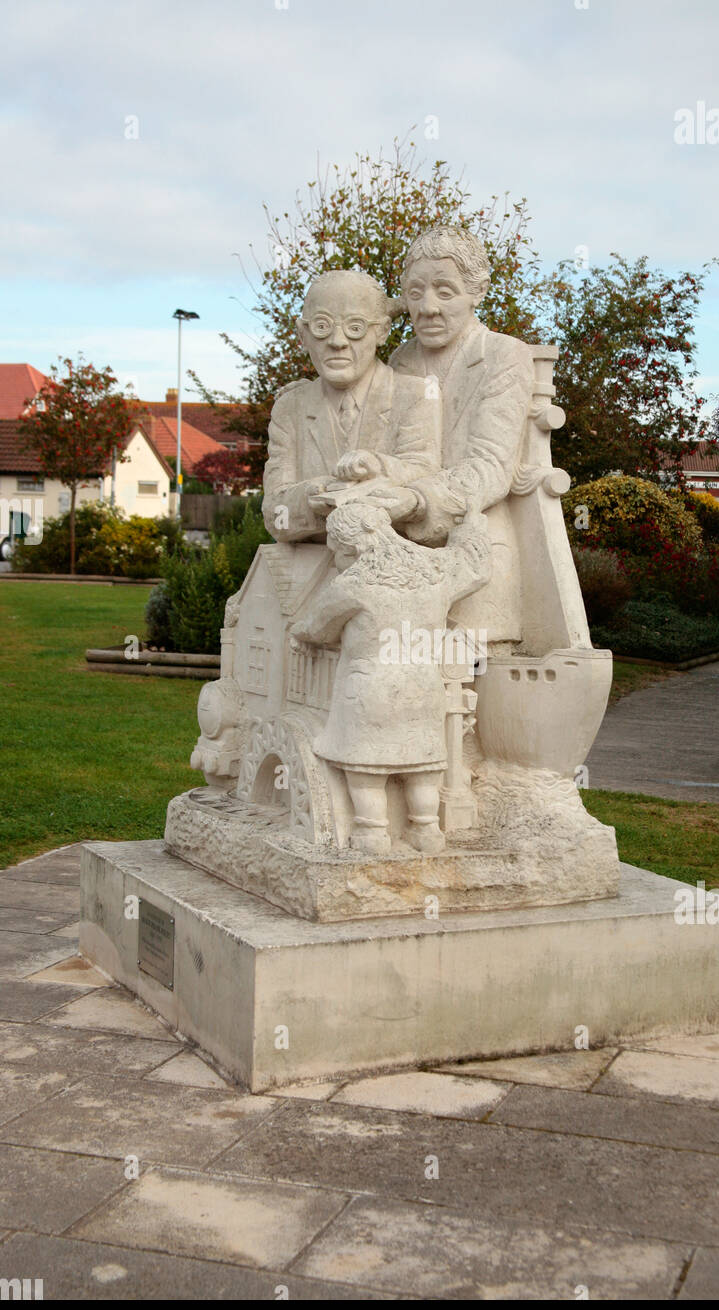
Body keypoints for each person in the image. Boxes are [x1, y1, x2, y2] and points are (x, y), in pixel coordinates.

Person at [289, 499, 491, 855]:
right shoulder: (435, 572)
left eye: (335, 552)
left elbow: (316, 628)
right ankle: (426, 829)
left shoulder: (352, 585)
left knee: (367, 764)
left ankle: (371, 832)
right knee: (422, 762)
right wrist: (470, 524)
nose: (335, 561)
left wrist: (299, 631)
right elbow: (476, 567)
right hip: (422, 689)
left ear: (351, 548)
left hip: (368, 690)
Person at [379, 225, 535, 643]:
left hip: (474, 543)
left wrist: (418, 500)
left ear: (476, 292)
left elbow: (491, 467)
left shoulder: (504, 355)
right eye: (415, 293)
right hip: (399, 546)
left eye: (444, 291)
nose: (427, 307)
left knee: (457, 686)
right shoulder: (400, 361)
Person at [263, 270, 441, 543]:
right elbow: (275, 515)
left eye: (355, 328)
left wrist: (376, 465)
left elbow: (426, 478)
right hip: (303, 571)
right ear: (303, 334)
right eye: (322, 326)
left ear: (381, 332)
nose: (338, 341)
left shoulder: (416, 395)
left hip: (391, 569)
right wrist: (316, 495)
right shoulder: (290, 408)